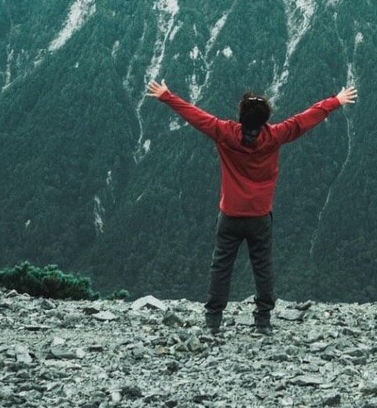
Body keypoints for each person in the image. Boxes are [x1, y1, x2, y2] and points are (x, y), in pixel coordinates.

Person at [146, 77, 358, 334]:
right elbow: (305, 119)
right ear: (265, 119)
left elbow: (196, 116)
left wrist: (167, 96)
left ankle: (213, 320)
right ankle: (263, 321)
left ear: (241, 117)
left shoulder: (224, 133)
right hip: (259, 215)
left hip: (231, 214)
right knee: (263, 266)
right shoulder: (276, 135)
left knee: (221, 265)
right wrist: (335, 101)